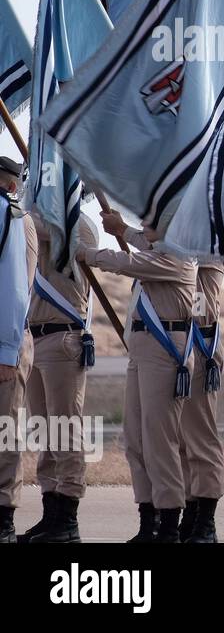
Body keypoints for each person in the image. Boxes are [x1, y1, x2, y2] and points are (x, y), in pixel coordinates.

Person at [83, 209, 197, 543]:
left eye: (150, 219)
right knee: (136, 438)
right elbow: (140, 242)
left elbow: (127, 262)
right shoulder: (159, 249)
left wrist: (84, 253)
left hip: (166, 349)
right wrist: (122, 228)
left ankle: (169, 523)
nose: (144, 224)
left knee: (160, 441)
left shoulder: (177, 257)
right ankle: (148, 520)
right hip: (144, 346)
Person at [16, 168, 98, 544]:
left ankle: (68, 516)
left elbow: (59, 238)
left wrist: (27, 208)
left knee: (66, 429)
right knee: (44, 431)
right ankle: (51, 512)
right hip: (36, 336)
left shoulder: (80, 225)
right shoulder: (30, 224)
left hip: (64, 336)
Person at [0, 156, 36, 544]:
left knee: (4, 433)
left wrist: (7, 352)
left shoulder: (10, 217)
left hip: (3, 343)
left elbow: (13, 287)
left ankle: (4, 519)